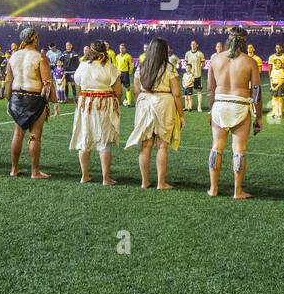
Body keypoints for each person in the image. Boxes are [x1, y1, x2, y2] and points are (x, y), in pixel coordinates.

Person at [205, 26, 262, 199]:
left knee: (217, 147)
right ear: (245, 41)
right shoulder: (250, 61)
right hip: (240, 105)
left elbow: (210, 90)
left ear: (228, 39)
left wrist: (210, 110)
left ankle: (213, 189)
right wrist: (259, 117)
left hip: (220, 104)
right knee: (239, 149)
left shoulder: (216, 59)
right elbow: (257, 93)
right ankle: (237, 191)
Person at [125, 37, 183, 190]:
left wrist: (141, 106)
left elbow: (137, 91)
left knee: (146, 144)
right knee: (162, 145)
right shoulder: (169, 68)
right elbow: (177, 94)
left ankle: (145, 182)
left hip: (144, 101)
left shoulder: (141, 67)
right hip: (164, 102)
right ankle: (160, 183)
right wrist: (181, 114)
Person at [69, 39, 122, 185]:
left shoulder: (82, 66)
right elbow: (118, 91)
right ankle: (106, 178)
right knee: (104, 141)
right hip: (104, 105)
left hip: (86, 104)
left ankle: (84, 176)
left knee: (84, 139)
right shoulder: (110, 67)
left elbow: (78, 84)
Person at [4, 26, 53, 179]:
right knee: (35, 136)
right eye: (37, 37)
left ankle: (14, 169)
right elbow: (47, 84)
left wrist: (8, 101)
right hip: (34, 98)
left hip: (16, 97)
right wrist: (51, 103)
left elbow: (8, 82)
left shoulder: (13, 56)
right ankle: (35, 171)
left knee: (17, 135)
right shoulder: (40, 57)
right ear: (34, 38)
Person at [267, 44, 284, 121]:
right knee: (274, 96)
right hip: (274, 80)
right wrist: (271, 79)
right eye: (276, 47)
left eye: (279, 47)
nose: (277, 49)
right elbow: (270, 69)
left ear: (282, 48)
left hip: (283, 79)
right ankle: (274, 111)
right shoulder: (271, 57)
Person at [185, 40, 206, 113]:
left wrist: (199, 69)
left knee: (199, 91)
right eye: (191, 44)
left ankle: (199, 107)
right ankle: (188, 106)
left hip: (197, 76)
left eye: (194, 44)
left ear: (197, 45)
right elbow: (186, 63)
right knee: (188, 92)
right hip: (190, 76)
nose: (192, 45)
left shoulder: (200, 54)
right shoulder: (187, 54)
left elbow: (203, 64)